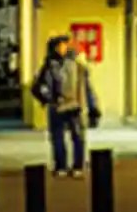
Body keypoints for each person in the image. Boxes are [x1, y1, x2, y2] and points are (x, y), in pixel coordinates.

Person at [32, 36, 101, 178]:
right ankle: (70, 166)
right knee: (70, 137)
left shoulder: (54, 65)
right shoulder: (73, 65)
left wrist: (47, 99)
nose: (63, 47)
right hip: (68, 105)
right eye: (61, 45)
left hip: (65, 105)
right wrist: (92, 107)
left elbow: (86, 87)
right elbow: (86, 87)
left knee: (67, 137)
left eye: (64, 45)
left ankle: (67, 166)